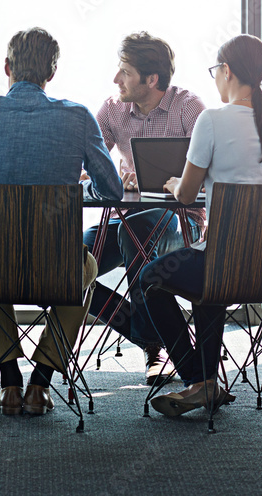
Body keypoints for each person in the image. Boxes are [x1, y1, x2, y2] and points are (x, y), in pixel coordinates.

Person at [0, 27, 124, 417]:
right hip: (54, 268)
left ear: (7, 67)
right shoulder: (78, 117)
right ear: (51, 74)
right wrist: (77, 192)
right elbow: (113, 191)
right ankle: (41, 382)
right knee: (84, 267)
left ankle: (8, 382)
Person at [139, 33, 262, 417]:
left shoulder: (211, 121)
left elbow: (185, 195)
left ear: (226, 71)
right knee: (205, 272)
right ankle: (205, 382)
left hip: (225, 266)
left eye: (216, 71)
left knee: (152, 279)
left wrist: (172, 184)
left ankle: (198, 379)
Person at [83, 32, 206, 384]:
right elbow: (87, 163)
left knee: (133, 231)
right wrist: (109, 177)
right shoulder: (112, 109)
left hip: (183, 224)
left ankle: (156, 347)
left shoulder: (189, 109)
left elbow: (210, 171)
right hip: (126, 220)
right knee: (65, 265)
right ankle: (150, 333)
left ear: (151, 80)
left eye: (124, 72)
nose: (115, 79)